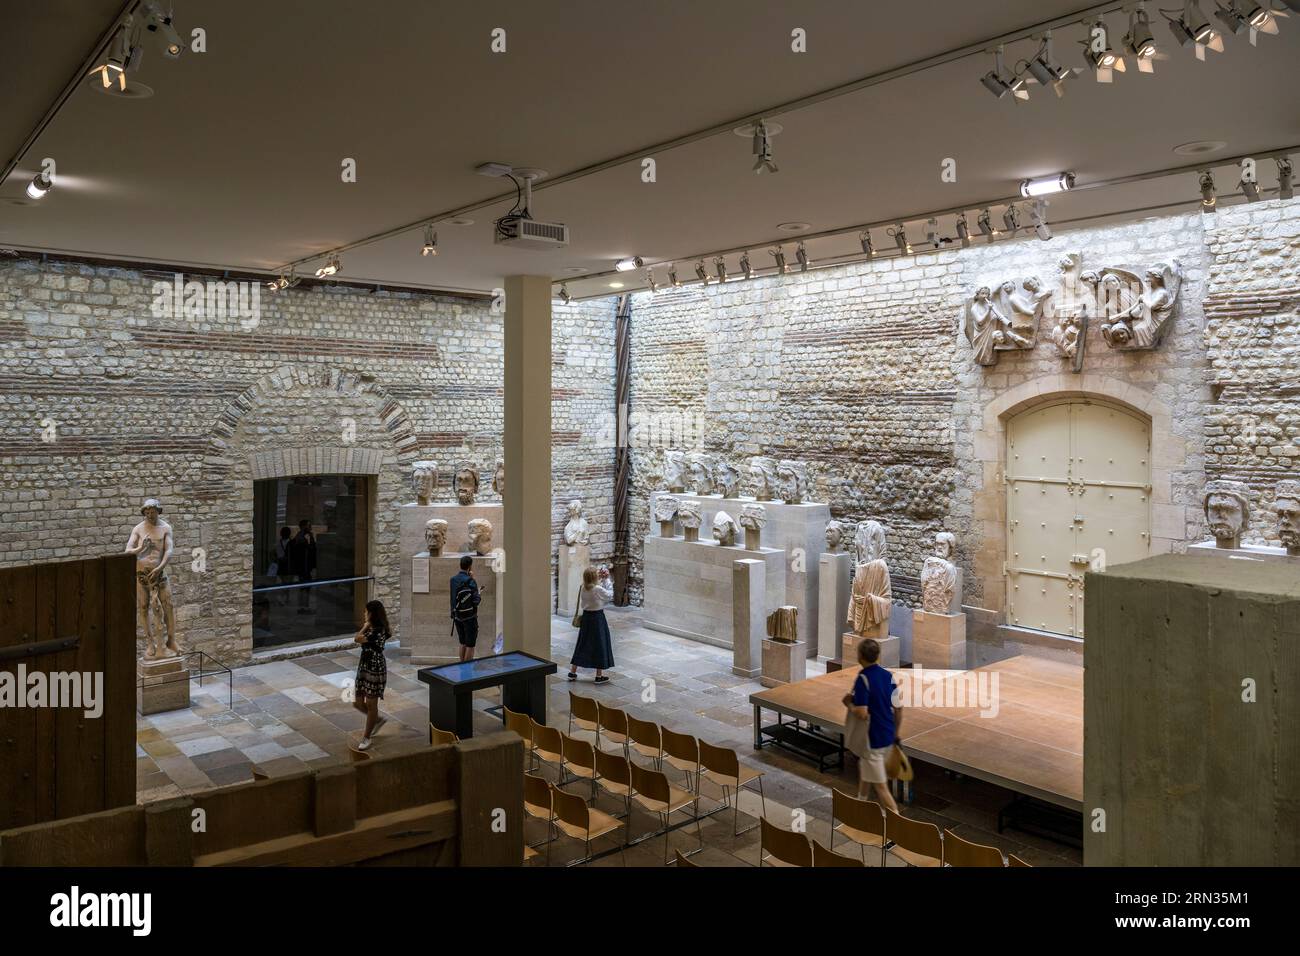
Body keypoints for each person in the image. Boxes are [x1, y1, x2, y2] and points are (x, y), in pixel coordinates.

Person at [842, 638, 903, 812]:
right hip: (887, 734)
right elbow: (899, 709)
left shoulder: (863, 679)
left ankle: (898, 827)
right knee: (866, 769)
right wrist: (896, 734)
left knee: (882, 788)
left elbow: (862, 713)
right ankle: (860, 804)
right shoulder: (888, 676)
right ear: (877, 655)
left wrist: (849, 704)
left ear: (860, 656)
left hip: (873, 739)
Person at [351, 600, 391, 751]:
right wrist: (367, 625)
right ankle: (377, 720)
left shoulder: (378, 631)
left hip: (375, 669)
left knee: (371, 704)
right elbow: (358, 638)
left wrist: (366, 625)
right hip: (364, 667)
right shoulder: (371, 628)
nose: (364, 613)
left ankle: (366, 737)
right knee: (357, 702)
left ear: (372, 613)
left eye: (366, 611)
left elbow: (357, 638)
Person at [568, 566, 614, 684]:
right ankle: (599, 676)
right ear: (594, 577)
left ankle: (572, 672)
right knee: (599, 644)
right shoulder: (597, 589)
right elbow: (609, 595)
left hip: (586, 618)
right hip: (597, 618)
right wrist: (607, 580)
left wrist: (602, 580)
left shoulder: (582, 587)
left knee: (582, 643)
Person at [449, 555, 481, 662]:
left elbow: (453, 599)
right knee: (470, 645)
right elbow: (476, 601)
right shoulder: (470, 581)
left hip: (457, 617)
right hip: (470, 617)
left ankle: (461, 667)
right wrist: (475, 585)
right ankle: (467, 672)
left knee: (462, 643)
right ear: (470, 567)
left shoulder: (453, 580)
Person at [289, 519, 317, 613]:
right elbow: (308, 549)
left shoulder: (301, 536)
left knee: (304, 586)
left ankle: (303, 606)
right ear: (304, 526)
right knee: (305, 587)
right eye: (309, 525)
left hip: (304, 566)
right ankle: (303, 607)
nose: (311, 527)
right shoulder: (303, 536)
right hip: (304, 566)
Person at [275, 526, 293, 604]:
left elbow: (278, 554)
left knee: (283, 582)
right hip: (289, 565)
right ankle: (285, 598)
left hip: (281, 564)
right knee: (288, 582)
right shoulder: (291, 543)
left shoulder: (279, 543)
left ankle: (284, 598)